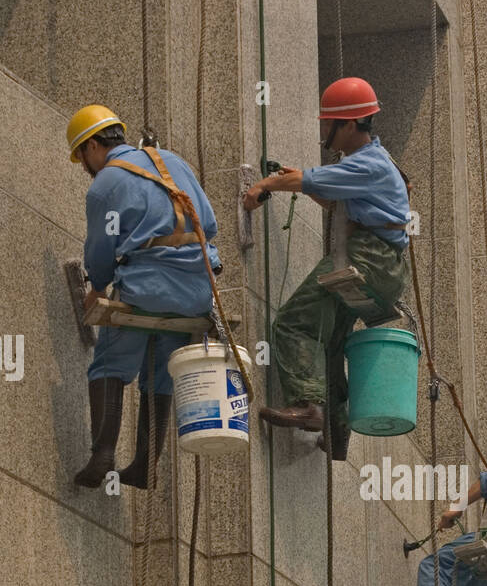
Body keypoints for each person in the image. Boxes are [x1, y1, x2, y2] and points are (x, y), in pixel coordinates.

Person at [243, 77, 411, 460]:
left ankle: (308, 404)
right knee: (331, 341)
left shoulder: (369, 163)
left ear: (349, 125)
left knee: (293, 322)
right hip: (382, 265)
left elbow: (311, 180)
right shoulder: (367, 164)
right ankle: (336, 431)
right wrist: (294, 181)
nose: (324, 131)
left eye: (328, 123)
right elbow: (328, 196)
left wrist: (265, 185)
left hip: (369, 257)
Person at [69, 104, 221, 488]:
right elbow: (211, 222)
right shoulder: (173, 162)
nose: (85, 165)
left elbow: (102, 250)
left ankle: (103, 453)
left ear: (92, 146)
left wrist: (98, 287)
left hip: (148, 288)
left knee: (109, 365)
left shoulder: (106, 184)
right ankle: (145, 464)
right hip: (197, 290)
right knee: (160, 376)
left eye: (82, 156)